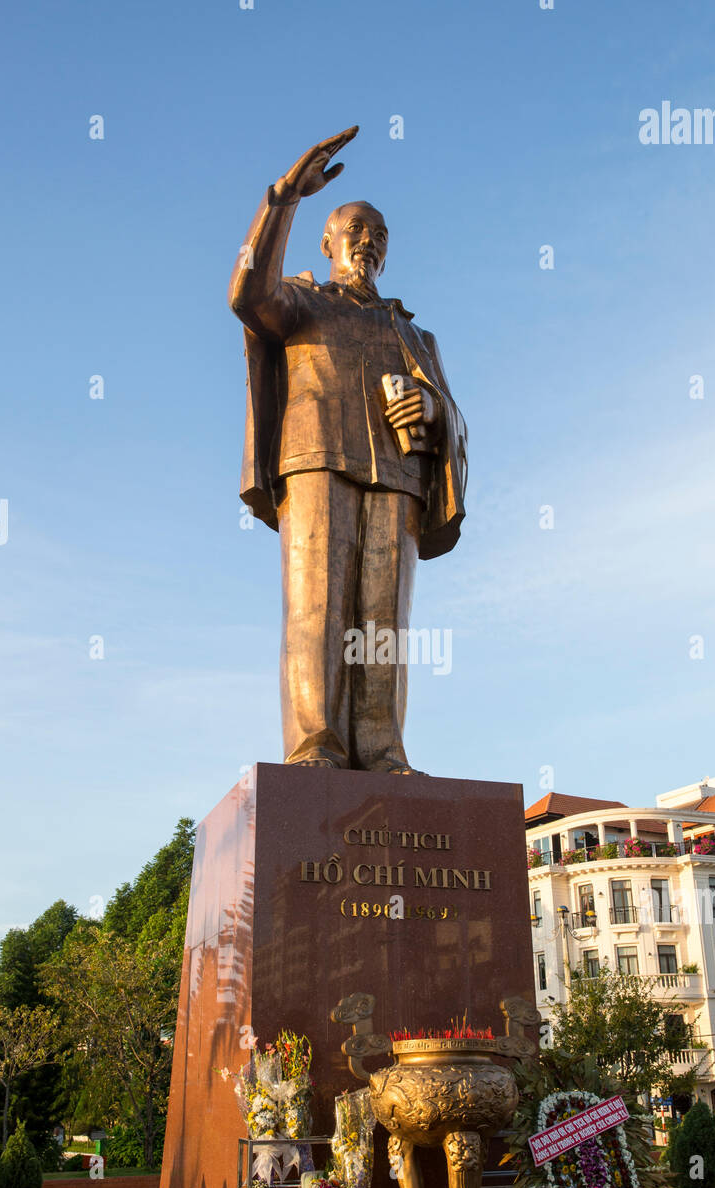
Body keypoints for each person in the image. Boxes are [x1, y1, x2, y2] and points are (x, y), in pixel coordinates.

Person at [228, 127, 467, 772]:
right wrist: (283, 200)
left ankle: (384, 749)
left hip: (398, 474)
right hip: (315, 460)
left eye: (381, 235)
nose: (370, 242)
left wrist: (435, 410)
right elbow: (247, 295)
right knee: (318, 610)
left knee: (382, 624)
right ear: (329, 241)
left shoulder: (410, 331)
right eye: (357, 229)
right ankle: (317, 745)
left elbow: (449, 409)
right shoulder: (302, 302)